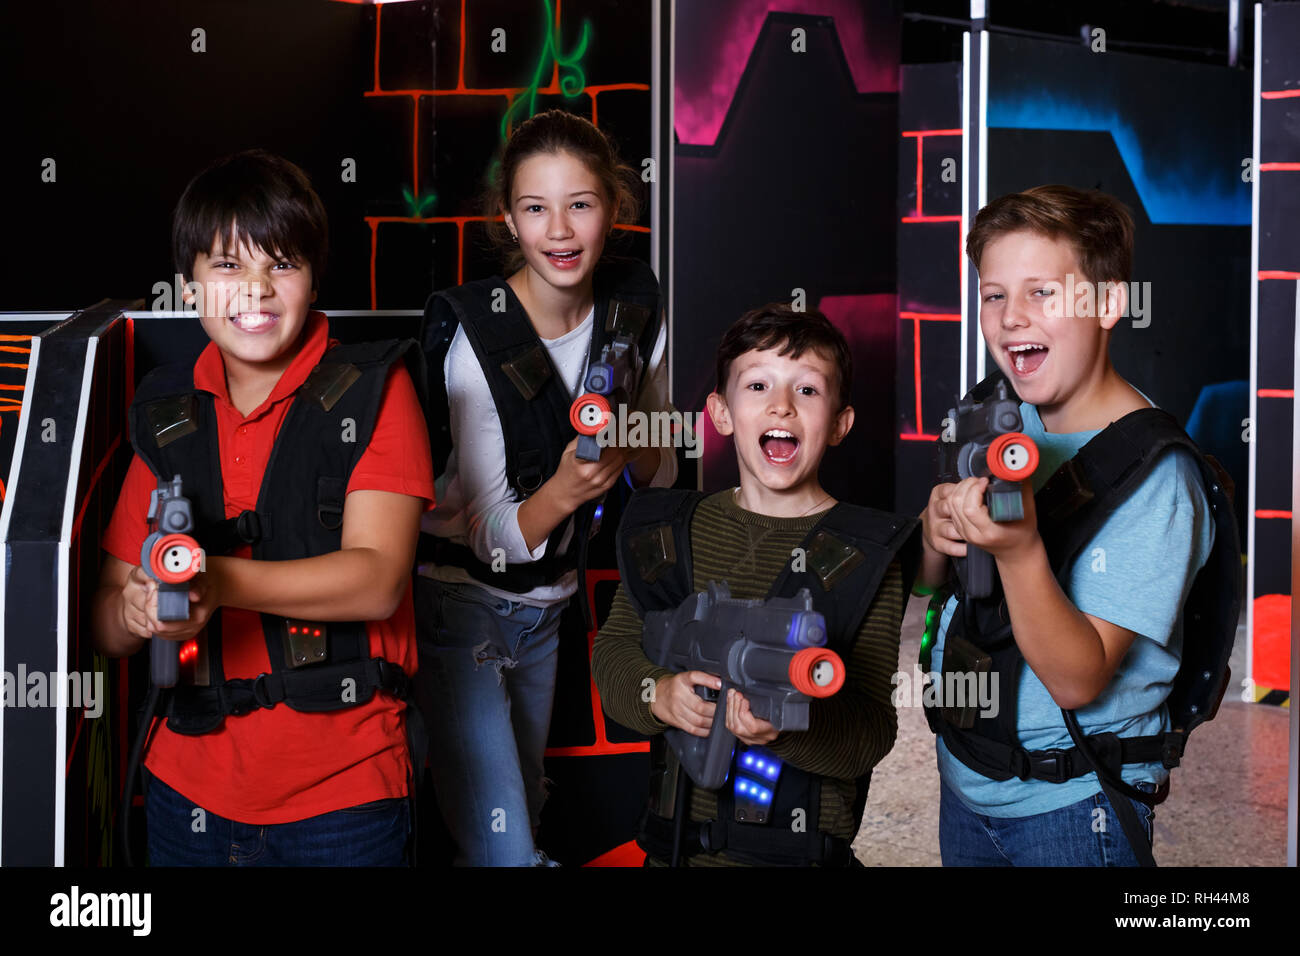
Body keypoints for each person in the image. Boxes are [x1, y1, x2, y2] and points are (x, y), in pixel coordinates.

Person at [93, 149, 434, 866]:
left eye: (281, 263)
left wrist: (216, 582)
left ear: (312, 279)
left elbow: (377, 580)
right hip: (183, 790)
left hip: (343, 798)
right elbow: (105, 617)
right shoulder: (164, 412)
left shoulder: (372, 390)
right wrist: (133, 610)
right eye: (227, 266)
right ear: (189, 286)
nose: (256, 289)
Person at [918, 185, 1221, 866]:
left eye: (1042, 293)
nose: (1010, 316)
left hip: (1074, 810)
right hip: (969, 780)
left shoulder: (1156, 479)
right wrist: (936, 532)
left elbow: (1078, 680)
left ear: (1109, 303)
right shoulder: (997, 410)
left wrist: (1022, 552)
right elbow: (930, 587)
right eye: (993, 294)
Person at [416, 109, 677, 866]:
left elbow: (664, 464)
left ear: (614, 209)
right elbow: (487, 536)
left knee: (520, 810)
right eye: (536, 208)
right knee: (505, 849)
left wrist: (634, 440)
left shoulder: (636, 308)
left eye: (581, 204)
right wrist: (568, 488)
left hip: (549, 609)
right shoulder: (478, 339)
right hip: (462, 605)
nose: (560, 230)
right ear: (509, 219)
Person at [591, 304, 918, 866]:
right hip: (672, 853)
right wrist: (659, 693)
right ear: (720, 412)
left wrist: (787, 731)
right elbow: (614, 654)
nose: (781, 405)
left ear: (840, 422)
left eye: (808, 391)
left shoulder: (864, 554)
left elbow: (869, 733)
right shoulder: (668, 532)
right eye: (758, 384)